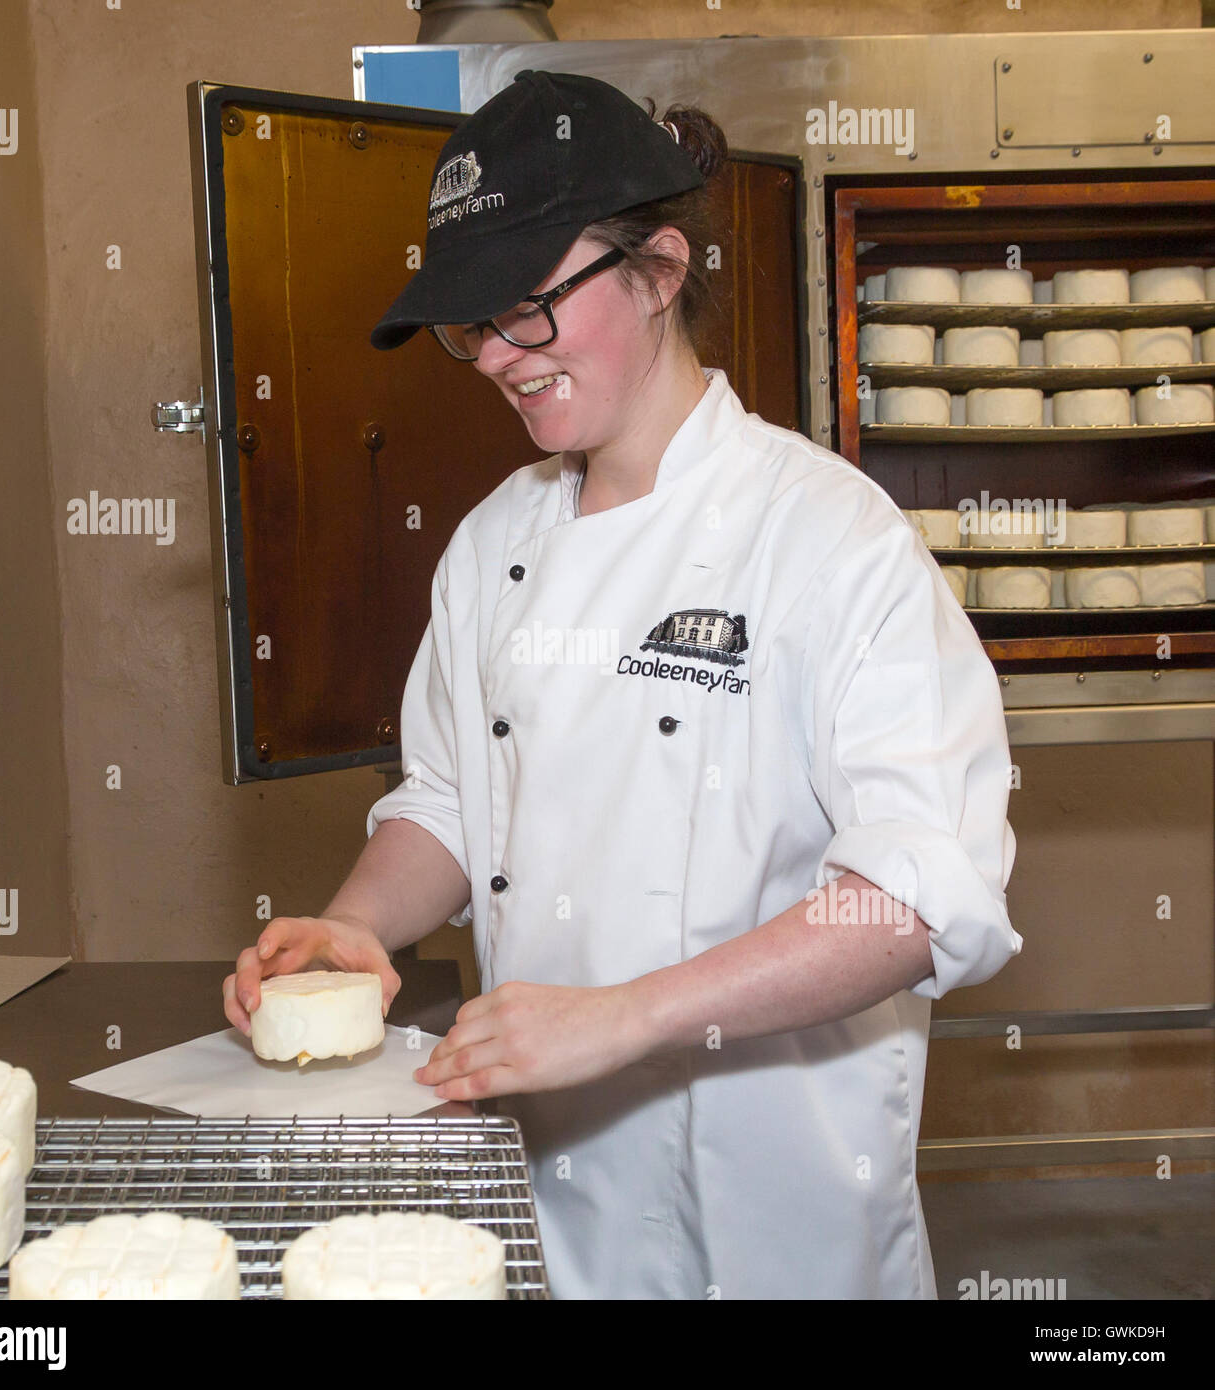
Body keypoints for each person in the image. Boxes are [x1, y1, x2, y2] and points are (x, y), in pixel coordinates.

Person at [224, 69, 1023, 1300]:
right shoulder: (493, 542)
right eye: (470, 323)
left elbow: (918, 898)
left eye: (528, 308)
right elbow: (450, 794)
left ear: (658, 269)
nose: (495, 355)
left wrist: (628, 1012)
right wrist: (356, 925)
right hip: (549, 1182)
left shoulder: (828, 540)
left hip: (780, 1209)